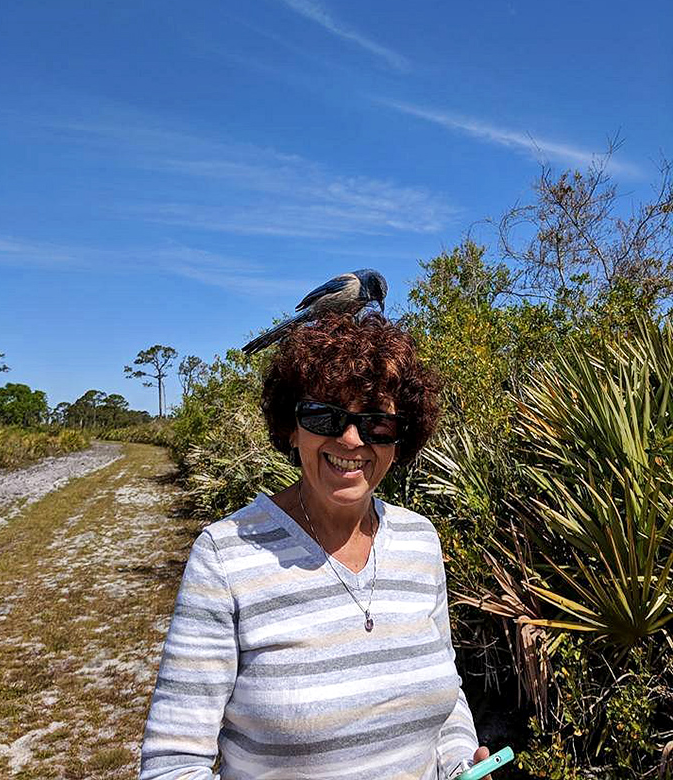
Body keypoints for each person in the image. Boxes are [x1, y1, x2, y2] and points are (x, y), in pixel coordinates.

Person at [140, 313, 491, 780]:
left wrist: (460, 764)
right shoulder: (225, 557)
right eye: (324, 415)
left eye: (376, 423)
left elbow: (444, 700)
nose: (350, 438)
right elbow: (174, 763)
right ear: (291, 427)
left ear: (400, 436)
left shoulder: (420, 541)